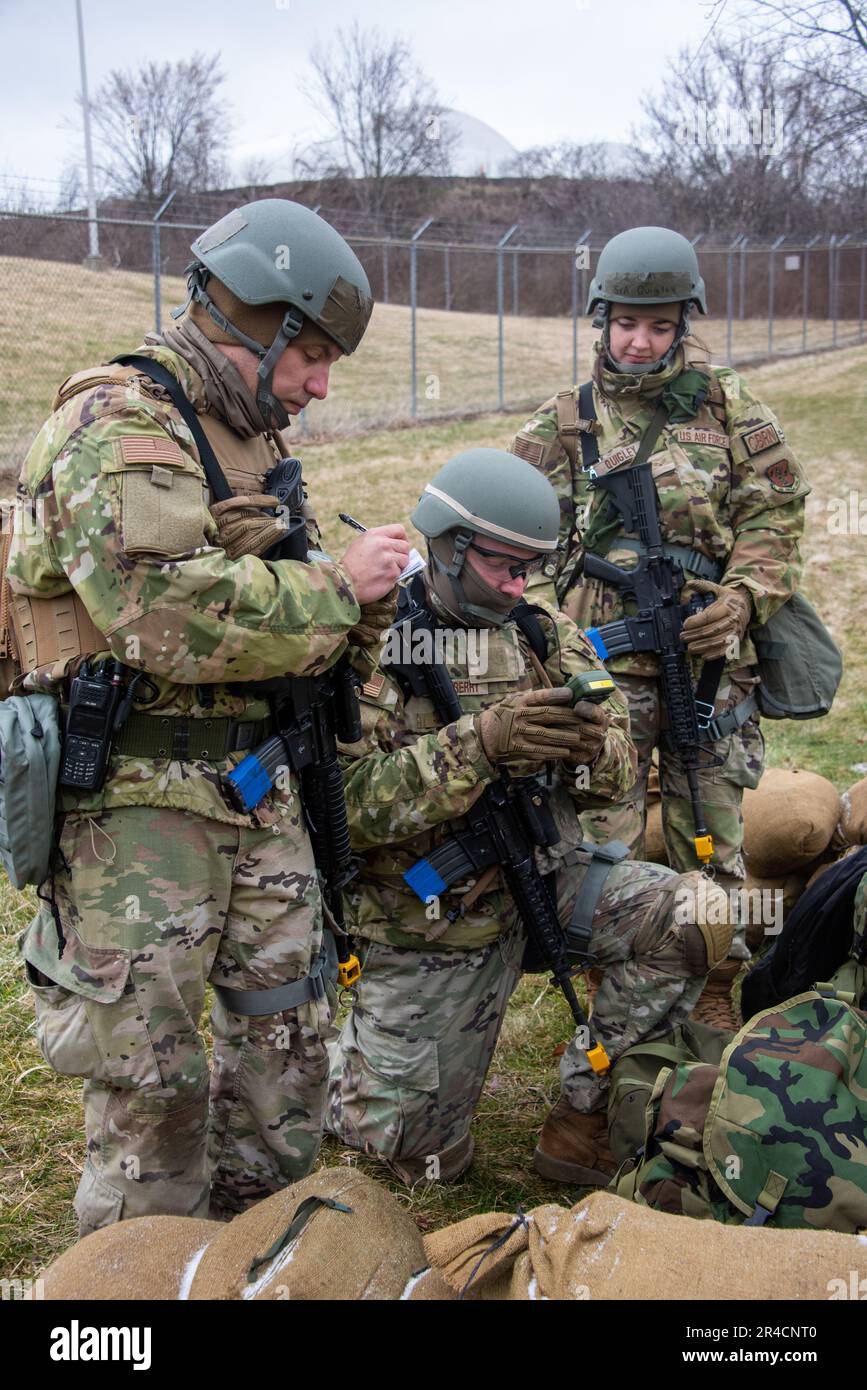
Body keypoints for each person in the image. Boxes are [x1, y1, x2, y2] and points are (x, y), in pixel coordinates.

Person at [8, 198, 409, 1233]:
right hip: (138, 815)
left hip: (254, 788)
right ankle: (133, 1297)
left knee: (287, 1060)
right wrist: (337, 589)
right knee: (156, 1099)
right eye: (310, 356)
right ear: (253, 320)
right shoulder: (119, 421)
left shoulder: (244, 437)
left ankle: (253, 1261)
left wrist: (350, 613)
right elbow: (162, 616)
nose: (321, 386)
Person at [326, 449, 733, 1186]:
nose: (518, 585)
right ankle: (336, 1060)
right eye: (501, 566)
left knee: (692, 911)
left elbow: (612, 776)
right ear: (447, 546)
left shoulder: (539, 634)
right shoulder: (371, 644)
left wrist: (581, 749)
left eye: (529, 568)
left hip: (543, 877)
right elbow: (344, 809)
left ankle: (586, 1113)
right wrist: (479, 746)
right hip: (430, 916)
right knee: (412, 1162)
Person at [509, 226, 810, 1028]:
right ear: (601, 320)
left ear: (684, 323)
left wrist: (743, 597)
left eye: (660, 325)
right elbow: (517, 549)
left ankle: (715, 990)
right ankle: (619, 988)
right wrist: (553, 638)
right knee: (602, 842)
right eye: (625, 324)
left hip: (709, 668)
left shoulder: (729, 404)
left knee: (712, 834)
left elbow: (773, 511)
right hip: (600, 676)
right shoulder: (561, 425)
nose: (639, 342)